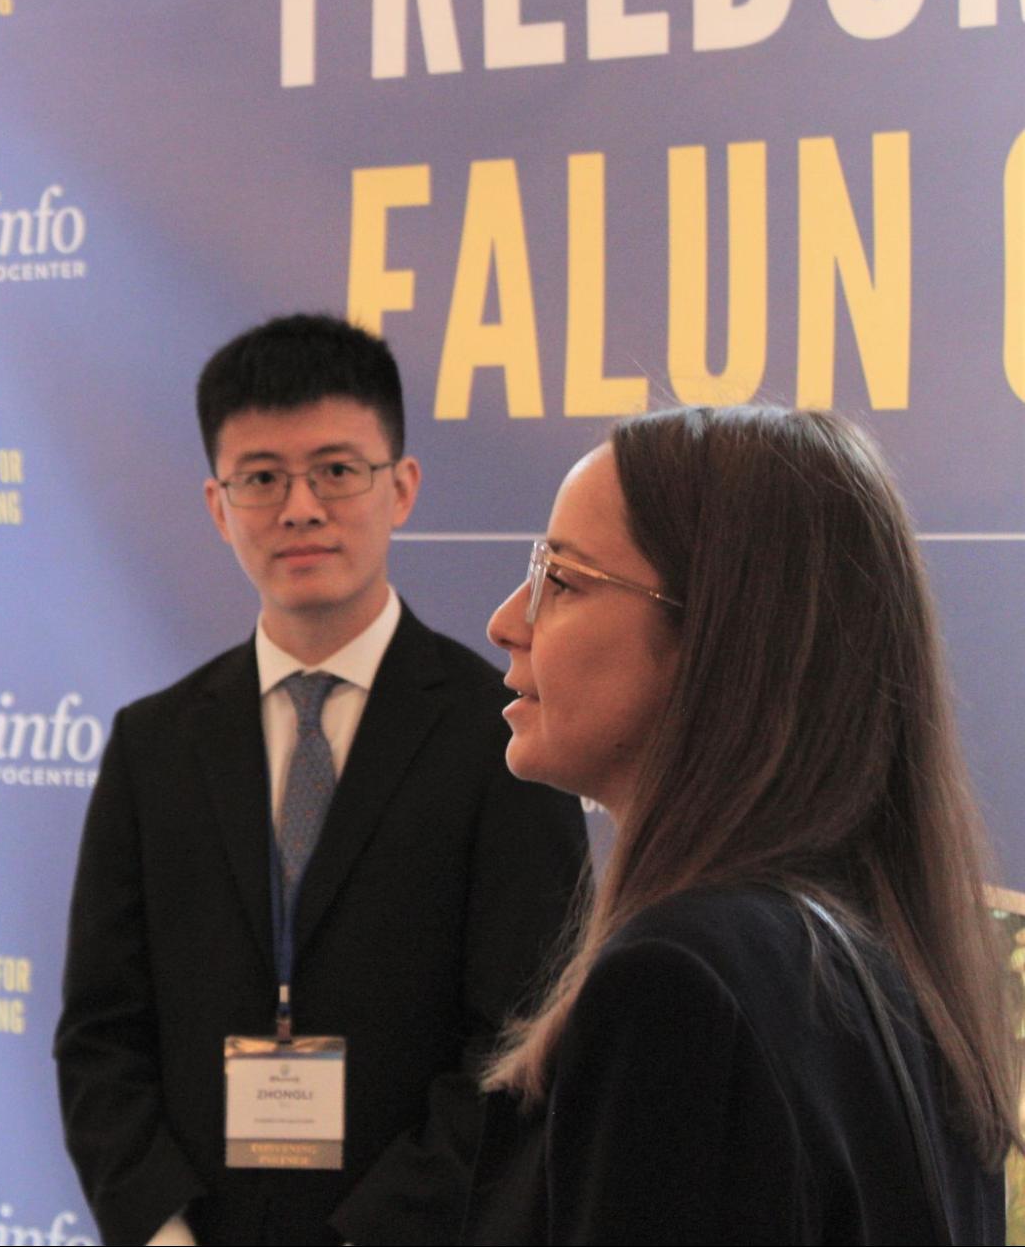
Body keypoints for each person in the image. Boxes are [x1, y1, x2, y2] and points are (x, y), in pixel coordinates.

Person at [54, 314, 589, 1245]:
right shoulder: (153, 743)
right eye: (260, 478)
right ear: (219, 506)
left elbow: (522, 1047)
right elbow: (100, 1035)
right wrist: (160, 1228)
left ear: (402, 488)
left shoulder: (507, 736)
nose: (300, 507)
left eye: (337, 470)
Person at [467, 404, 1019, 1243]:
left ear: (721, 635)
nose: (508, 621)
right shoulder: (895, 957)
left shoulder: (679, 980)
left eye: (563, 579)